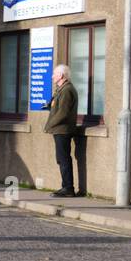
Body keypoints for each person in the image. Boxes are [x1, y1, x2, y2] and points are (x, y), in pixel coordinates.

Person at [44, 64, 83, 198]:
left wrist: (49, 125)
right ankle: (65, 186)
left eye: (54, 74)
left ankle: (68, 188)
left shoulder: (67, 90)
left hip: (63, 130)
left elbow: (63, 113)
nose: (52, 76)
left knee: (64, 159)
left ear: (61, 75)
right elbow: (57, 107)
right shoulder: (61, 89)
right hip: (60, 129)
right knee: (61, 159)